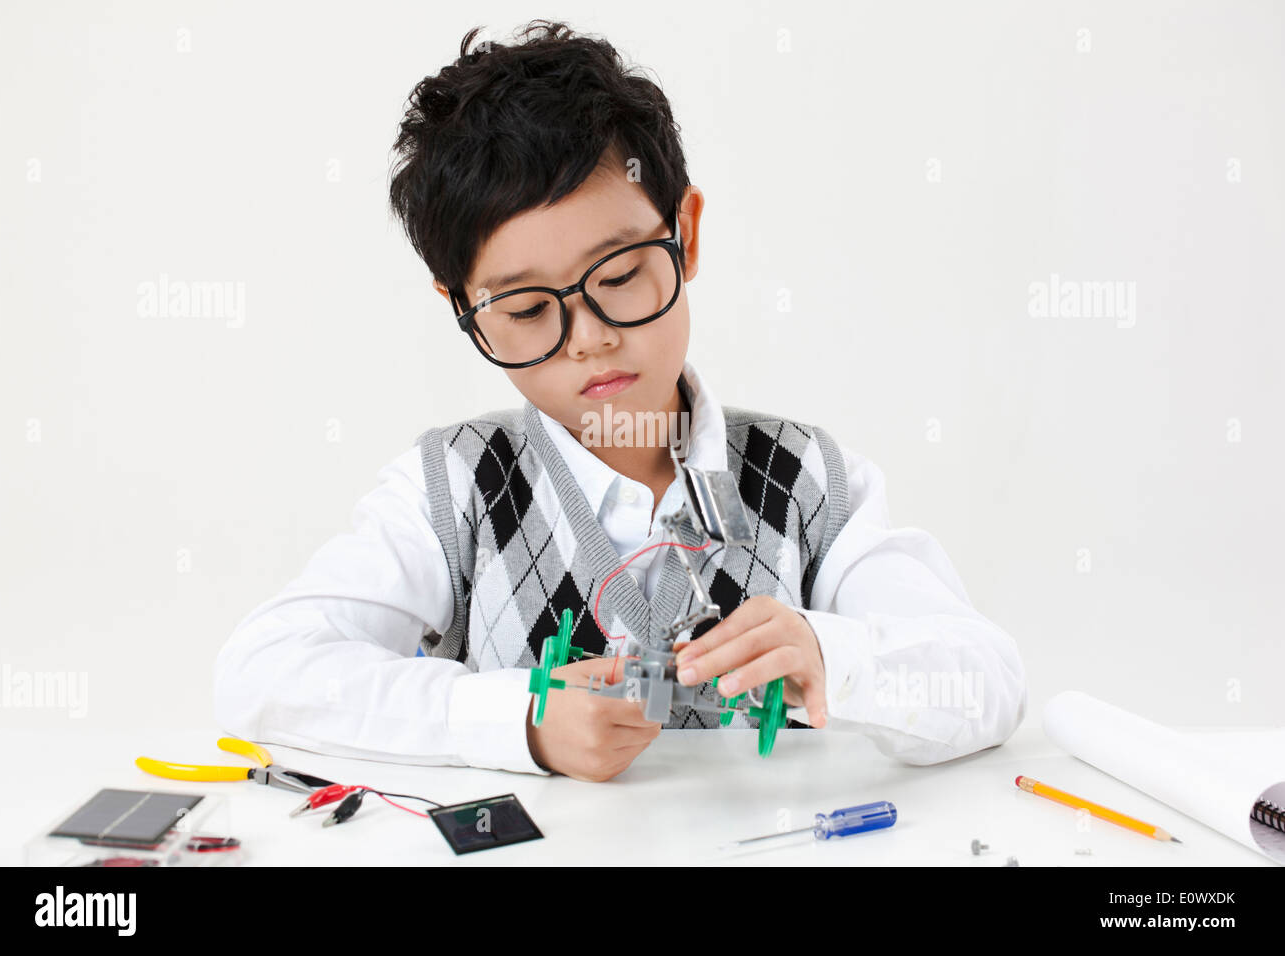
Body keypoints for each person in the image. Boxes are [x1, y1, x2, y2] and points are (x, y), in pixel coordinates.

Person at [214, 19, 1026, 783]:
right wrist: (518, 722)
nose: (587, 339)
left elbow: (987, 678)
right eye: (527, 309)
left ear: (688, 234)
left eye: (619, 277)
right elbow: (263, 672)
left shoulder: (809, 479)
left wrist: (832, 656)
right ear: (463, 309)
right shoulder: (454, 488)